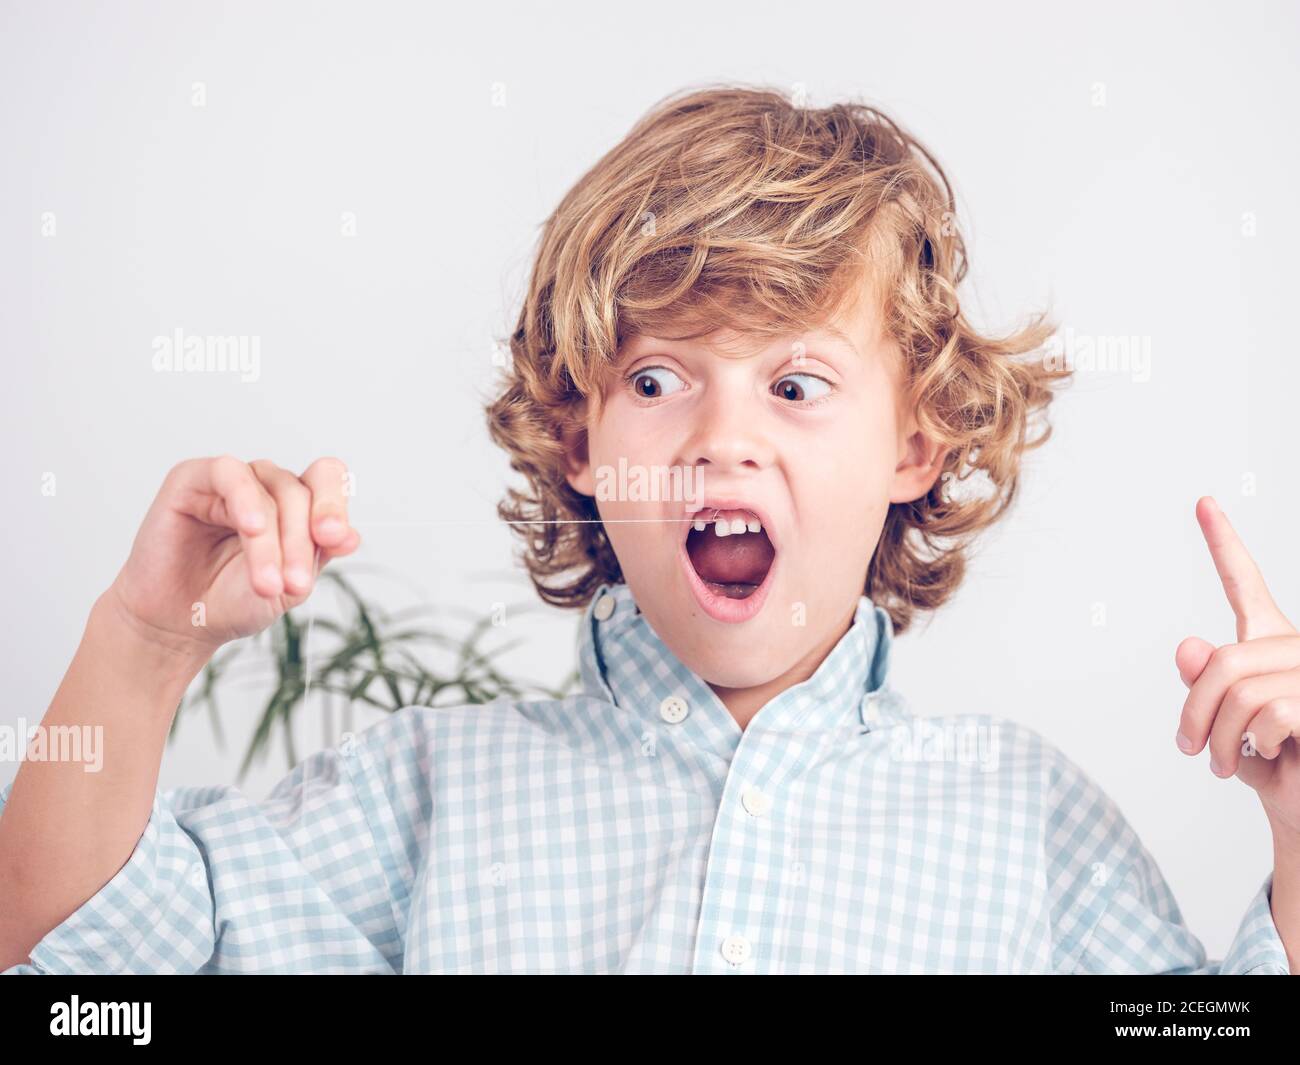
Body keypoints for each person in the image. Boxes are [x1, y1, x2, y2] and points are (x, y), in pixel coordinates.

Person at [1, 85, 1296, 974]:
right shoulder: (423, 797)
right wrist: (141, 642)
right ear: (581, 437)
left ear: (914, 445)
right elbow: (77, 959)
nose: (723, 439)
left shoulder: (1029, 825)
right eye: (660, 380)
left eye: (794, 387)